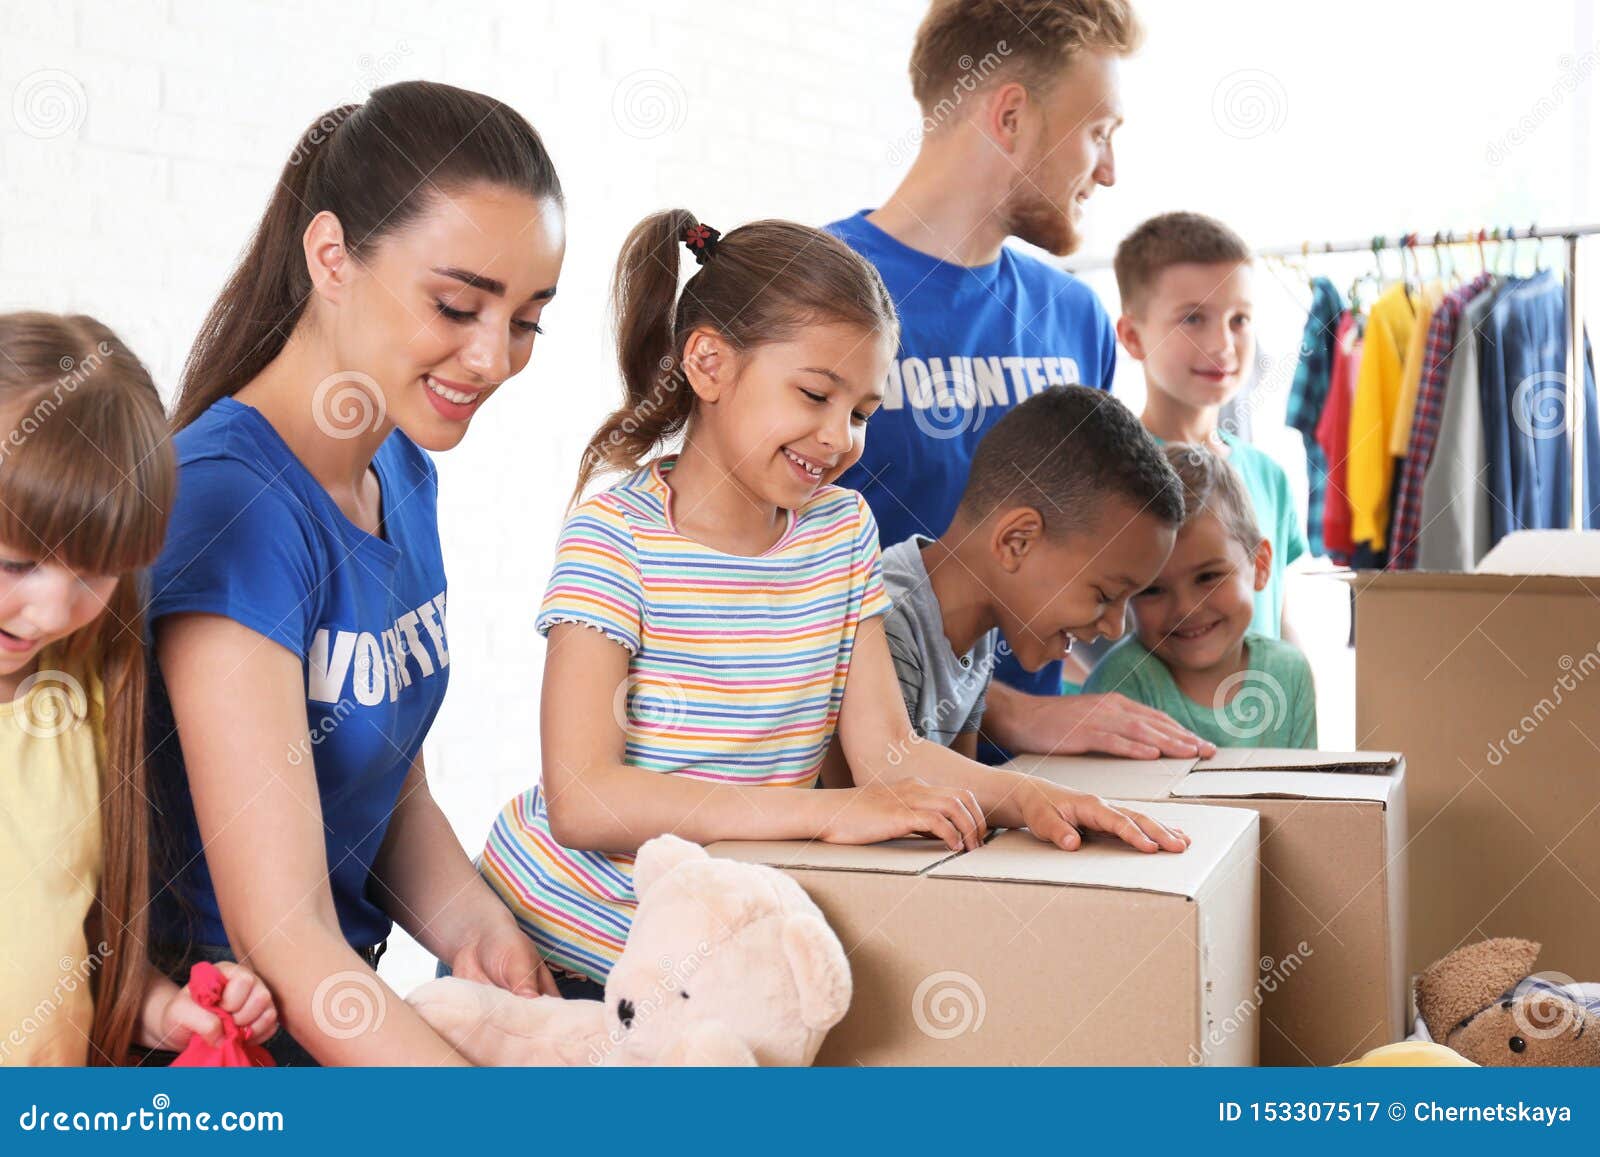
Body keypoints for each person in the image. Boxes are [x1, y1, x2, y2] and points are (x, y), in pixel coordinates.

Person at [479, 212, 1191, 993]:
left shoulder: (842, 530)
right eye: (816, 394)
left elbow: (888, 749)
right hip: (558, 941)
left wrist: (1032, 796)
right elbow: (584, 800)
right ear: (709, 365)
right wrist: (825, 812)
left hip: (710, 949)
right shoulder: (615, 534)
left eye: (859, 412)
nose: (839, 437)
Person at [146, 81, 566, 1065]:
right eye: (457, 305)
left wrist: (474, 927)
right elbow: (281, 938)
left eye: (528, 319)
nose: (493, 356)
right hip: (223, 1038)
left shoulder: (399, 468)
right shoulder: (230, 507)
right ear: (331, 256)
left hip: (339, 1002)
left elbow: (379, 775)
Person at [826, 0, 1208, 760]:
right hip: (856, 810)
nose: (1109, 171)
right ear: (1010, 117)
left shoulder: (1078, 320)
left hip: (1030, 810)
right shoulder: (816, 298)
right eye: (1099, 134)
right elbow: (749, 585)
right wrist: (1001, 709)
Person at [0, 312, 277, 1065]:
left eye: (93, 573)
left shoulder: (82, 691)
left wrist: (165, 1009)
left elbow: (71, 952)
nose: (54, 611)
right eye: (16, 564)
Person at [878, 385, 1188, 755]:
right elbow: (871, 803)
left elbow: (963, 787)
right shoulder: (887, 623)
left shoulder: (976, 621)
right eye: (1105, 595)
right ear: (1017, 542)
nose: (1116, 627)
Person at [1112, 211, 1307, 640]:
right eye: (1193, 318)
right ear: (1132, 337)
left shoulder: (1268, 476)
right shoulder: (1107, 477)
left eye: (1239, 319)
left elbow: (1277, 622)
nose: (1222, 344)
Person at [1085, 444, 1318, 749]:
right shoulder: (1118, 686)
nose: (1186, 608)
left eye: (1208, 577)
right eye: (1153, 590)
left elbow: (1307, 794)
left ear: (1259, 565)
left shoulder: (1290, 672)